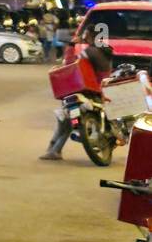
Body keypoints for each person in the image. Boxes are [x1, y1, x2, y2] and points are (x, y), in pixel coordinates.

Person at [40, 27, 114, 160]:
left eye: (86, 35)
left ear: (91, 36)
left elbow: (70, 64)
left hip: (88, 90)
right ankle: (54, 149)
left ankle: (55, 150)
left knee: (65, 118)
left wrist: (72, 45)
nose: (84, 38)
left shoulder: (90, 51)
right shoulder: (106, 51)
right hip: (99, 90)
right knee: (67, 117)